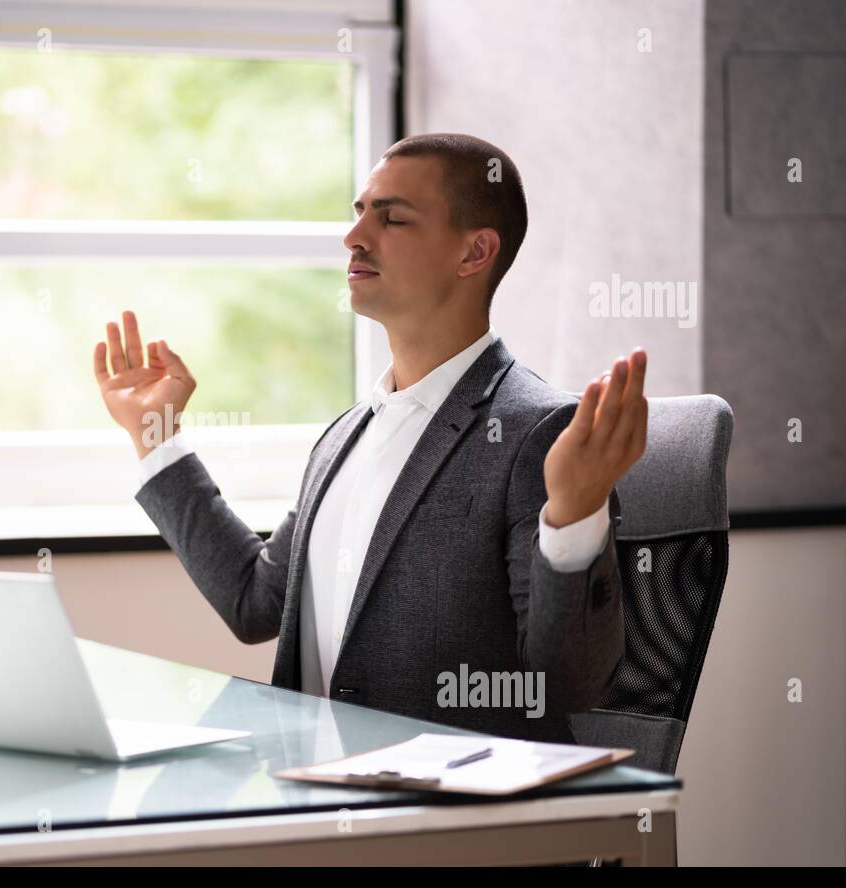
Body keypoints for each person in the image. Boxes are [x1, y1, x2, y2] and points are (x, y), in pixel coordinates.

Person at [92, 133, 647, 742]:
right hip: (308, 799)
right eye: (359, 213)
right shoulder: (345, 437)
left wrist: (574, 514)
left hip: (443, 818)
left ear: (473, 253)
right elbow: (255, 603)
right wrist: (157, 436)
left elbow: (564, 688)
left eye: (393, 218)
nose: (354, 237)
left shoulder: (537, 432)